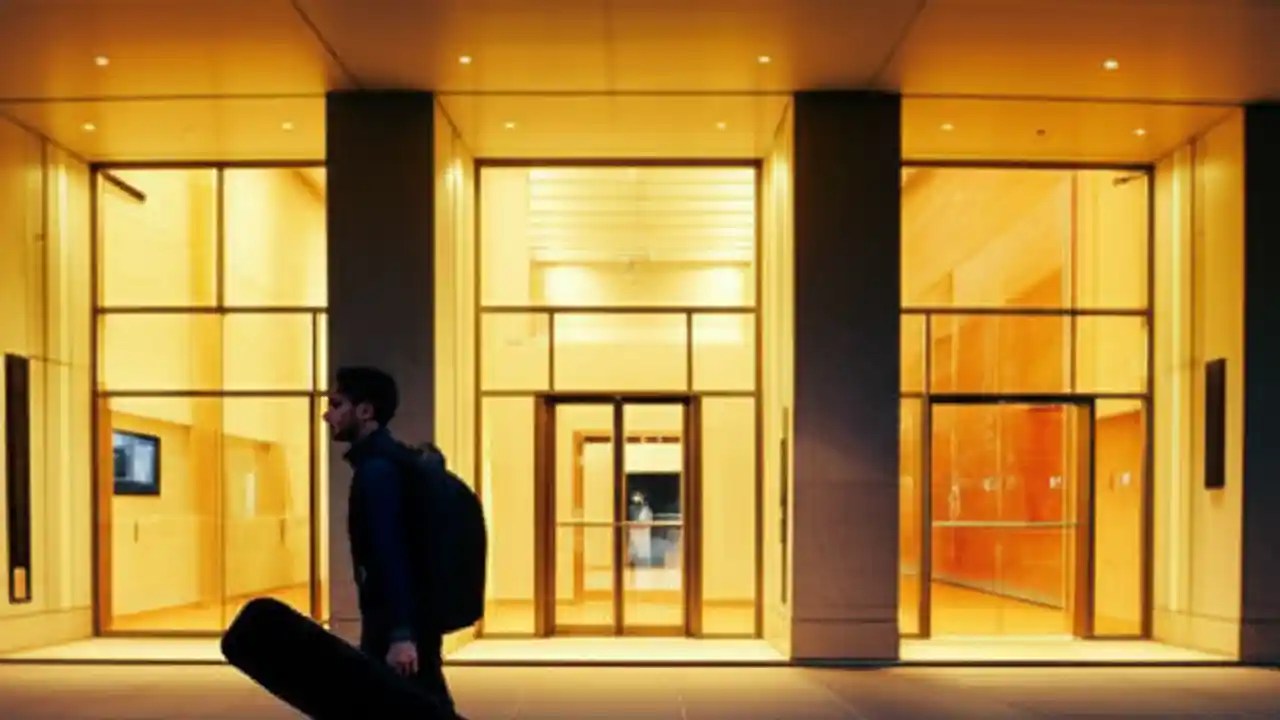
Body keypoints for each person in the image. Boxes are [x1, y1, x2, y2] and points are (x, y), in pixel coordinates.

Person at [322, 365, 461, 718]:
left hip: (395, 621)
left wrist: (401, 635)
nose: (327, 415)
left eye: (337, 404)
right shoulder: (390, 464)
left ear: (365, 411)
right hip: (406, 617)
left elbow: (390, 554)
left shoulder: (378, 472)